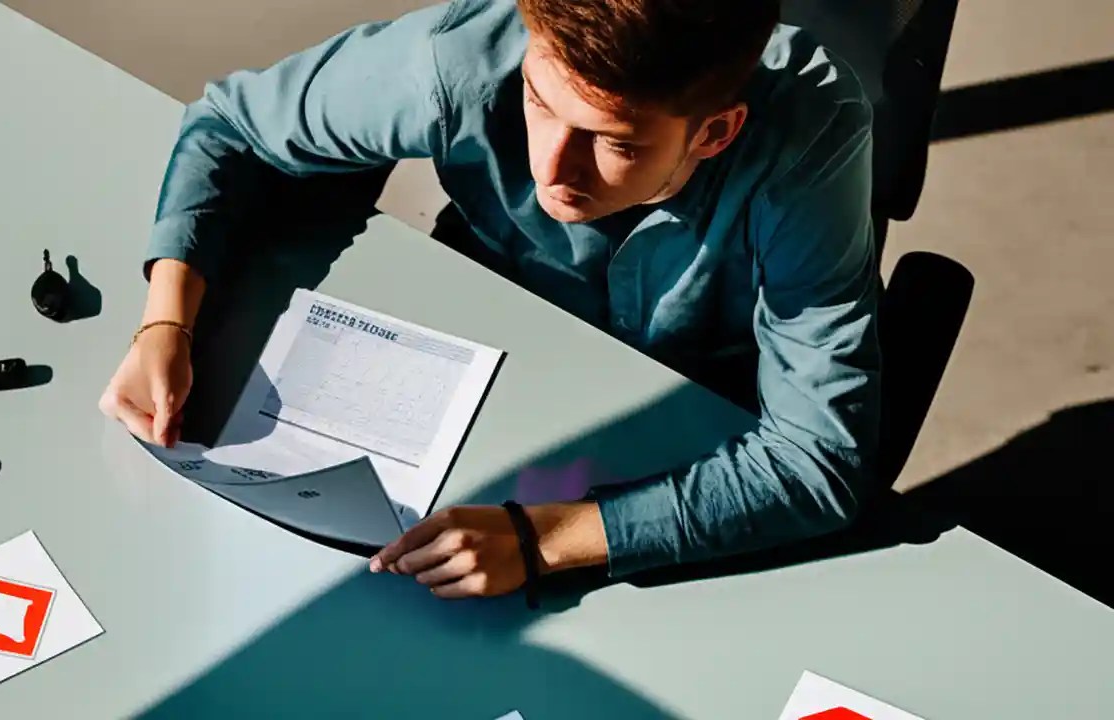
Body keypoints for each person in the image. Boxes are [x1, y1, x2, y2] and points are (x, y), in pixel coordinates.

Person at [99, 0, 881, 601]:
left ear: (714, 133)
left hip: (691, 423)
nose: (553, 168)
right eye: (540, 104)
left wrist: (542, 541)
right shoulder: (466, 57)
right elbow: (233, 127)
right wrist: (167, 317)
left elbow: (816, 461)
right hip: (466, 384)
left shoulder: (808, 146)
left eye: (616, 142)